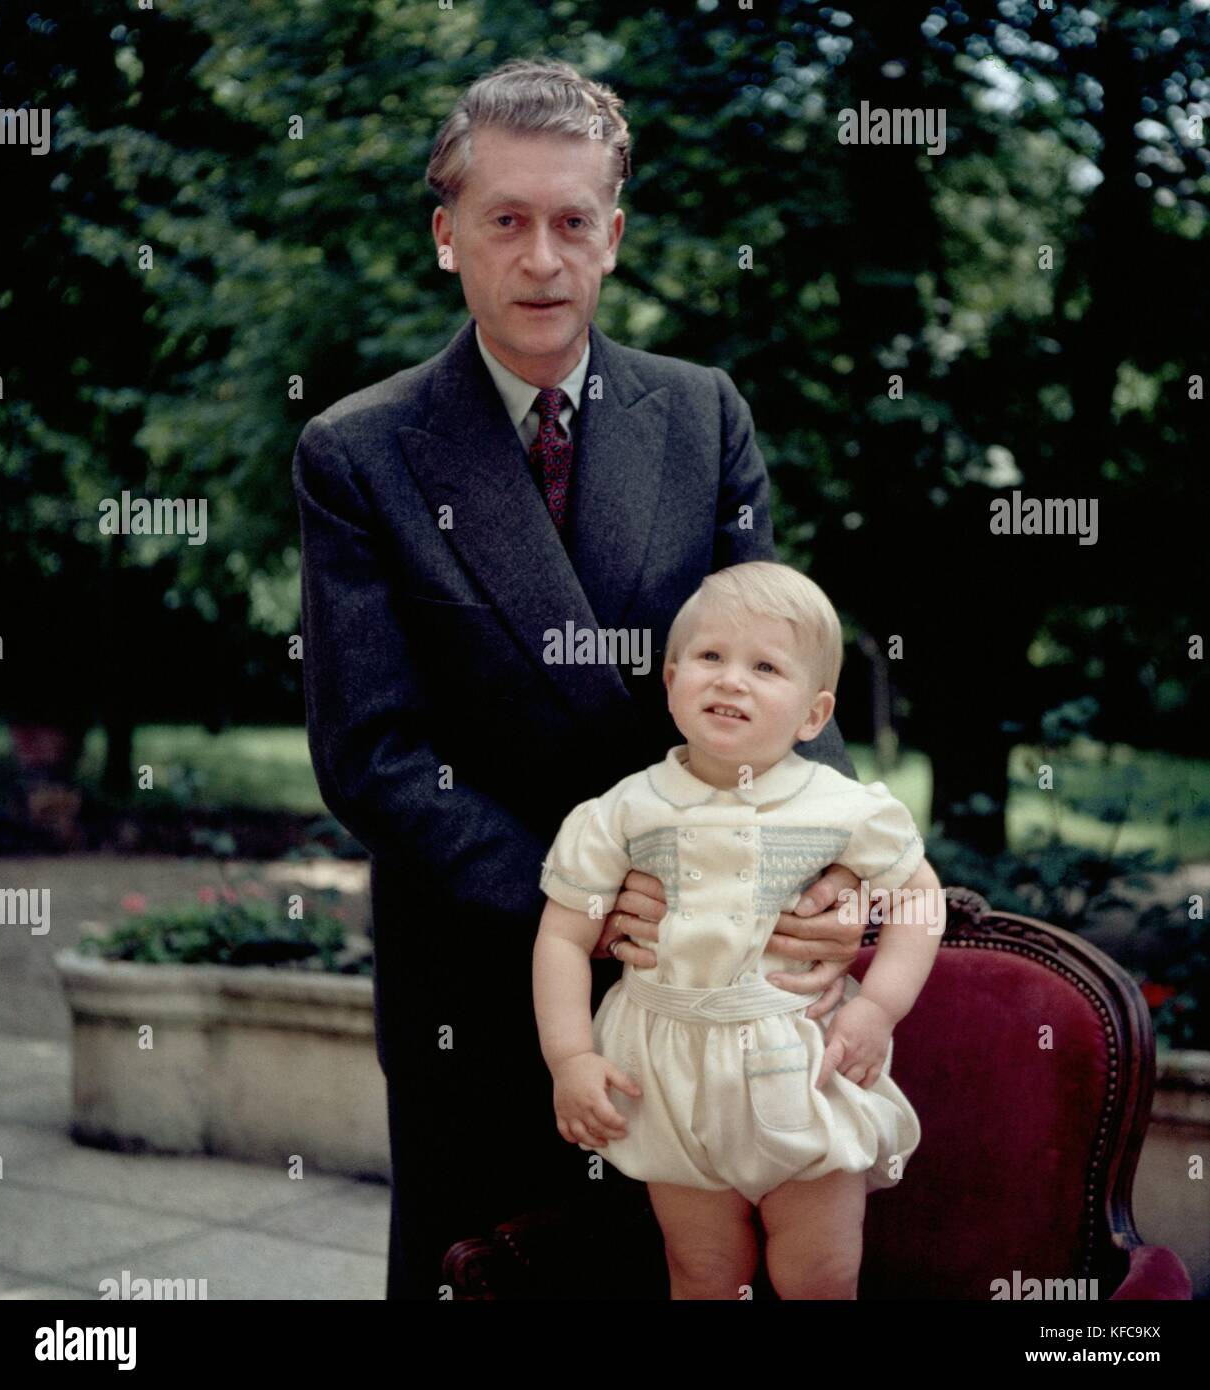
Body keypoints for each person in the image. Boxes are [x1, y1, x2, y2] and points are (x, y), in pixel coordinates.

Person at [294, 57, 877, 1301]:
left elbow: (775, 665)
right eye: (506, 220)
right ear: (448, 235)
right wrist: (590, 904)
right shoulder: (357, 451)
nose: (542, 258)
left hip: (717, 989)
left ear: (614, 235)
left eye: (572, 222)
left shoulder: (702, 412)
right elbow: (374, 753)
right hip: (485, 977)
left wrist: (831, 863)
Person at [534, 561, 946, 1300]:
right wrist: (569, 1057)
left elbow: (920, 899)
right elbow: (563, 935)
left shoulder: (841, 808)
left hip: (801, 1058)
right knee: (702, 1273)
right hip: (667, 1074)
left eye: (764, 666)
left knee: (817, 1273)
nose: (730, 680)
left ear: (813, 715)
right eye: (710, 658)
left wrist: (877, 1006)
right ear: (670, 680)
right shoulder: (624, 811)